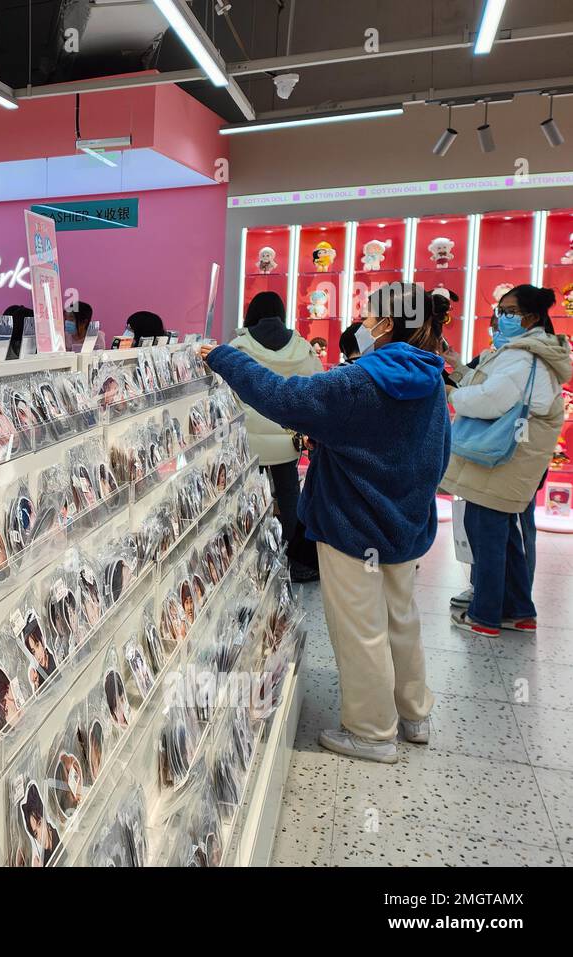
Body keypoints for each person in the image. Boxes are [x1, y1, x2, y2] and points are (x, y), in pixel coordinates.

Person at [200, 282, 450, 763]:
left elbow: (282, 398)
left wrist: (224, 358)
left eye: (368, 314)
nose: (361, 321)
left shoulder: (361, 381)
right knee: (402, 619)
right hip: (406, 525)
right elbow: (438, 452)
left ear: (387, 324)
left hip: (354, 526)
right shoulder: (430, 376)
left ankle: (372, 732)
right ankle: (412, 713)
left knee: (360, 629)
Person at [440, 285, 570, 637]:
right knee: (506, 535)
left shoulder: (523, 355)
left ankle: (484, 616)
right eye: (500, 309)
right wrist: (456, 367)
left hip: (501, 460)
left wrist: (452, 395)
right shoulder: (525, 351)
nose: (501, 316)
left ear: (530, 316)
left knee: (487, 536)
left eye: (509, 310)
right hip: (513, 460)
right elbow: (493, 386)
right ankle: (518, 610)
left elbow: (490, 401)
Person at [229, 292, 324, 582]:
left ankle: (247, 561)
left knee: (247, 498)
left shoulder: (240, 346)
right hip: (287, 439)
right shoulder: (301, 347)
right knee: (288, 493)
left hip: (249, 440)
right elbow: (316, 385)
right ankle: (297, 560)